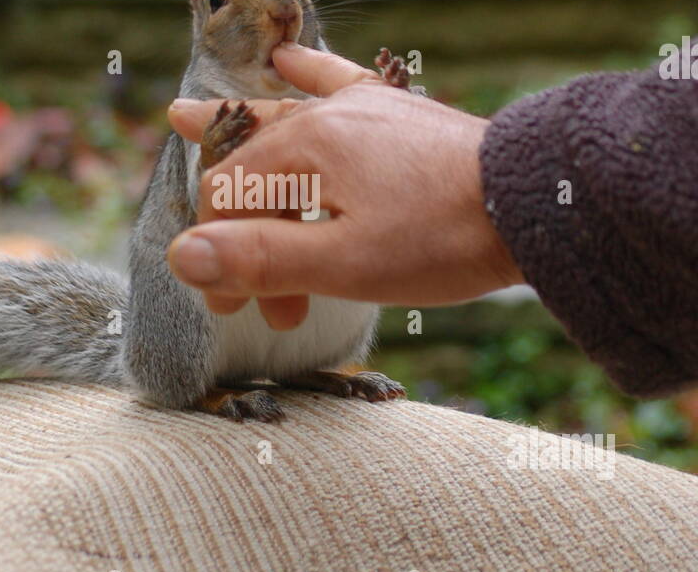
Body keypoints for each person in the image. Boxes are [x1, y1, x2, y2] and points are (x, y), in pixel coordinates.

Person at [167, 41, 698, 400]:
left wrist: (497, 184)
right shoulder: (205, 94)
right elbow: (201, 198)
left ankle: (309, 366)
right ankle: (206, 389)